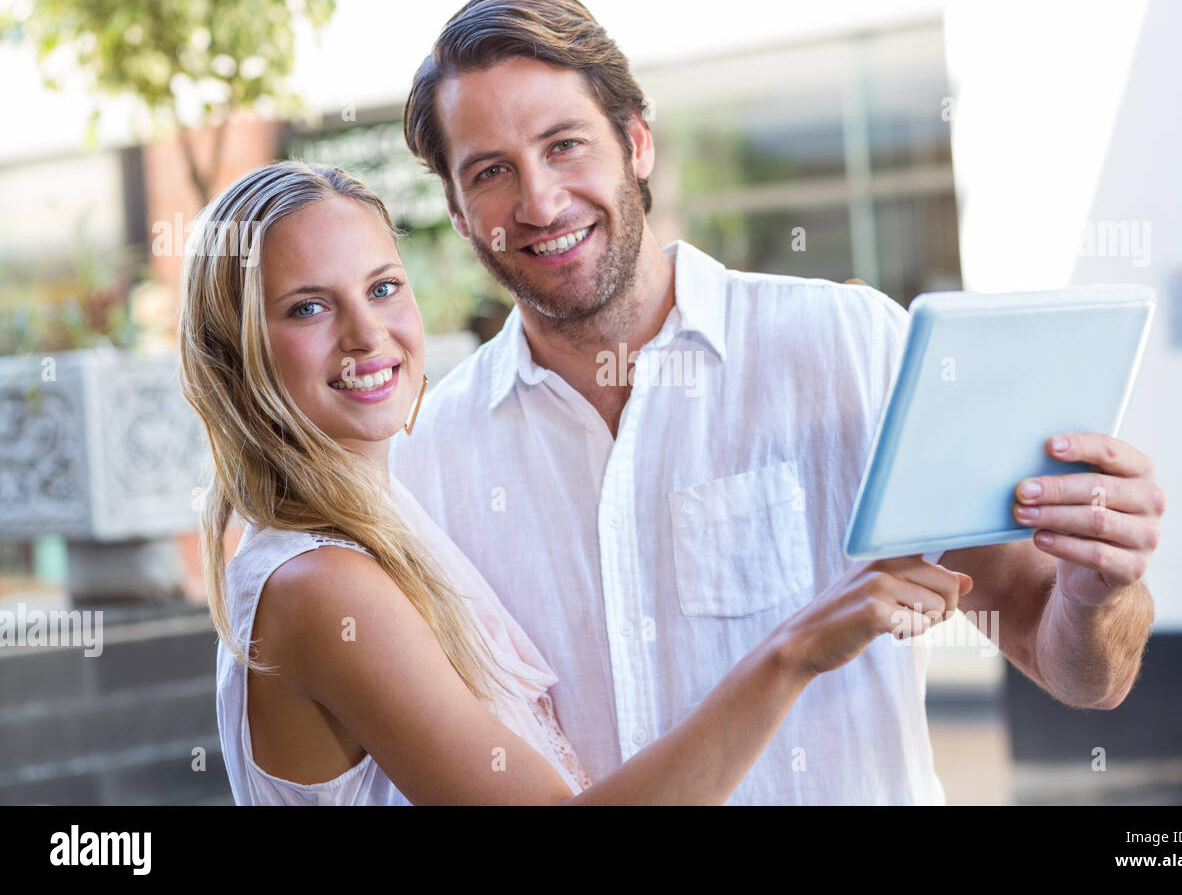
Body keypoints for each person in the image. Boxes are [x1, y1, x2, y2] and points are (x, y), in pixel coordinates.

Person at [392, 0, 1166, 804]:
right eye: (490, 172)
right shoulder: (427, 463)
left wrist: (1095, 593)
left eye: (565, 145)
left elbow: (1082, 673)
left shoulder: (849, 348)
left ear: (636, 140)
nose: (540, 201)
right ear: (456, 208)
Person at [178, 159, 975, 805]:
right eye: (309, 308)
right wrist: (794, 652)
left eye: (384, 288)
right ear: (232, 351)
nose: (367, 334)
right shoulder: (320, 586)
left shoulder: (388, 528)